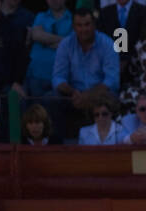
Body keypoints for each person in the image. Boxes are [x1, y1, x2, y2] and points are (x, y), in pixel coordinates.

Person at [51, 6, 122, 136]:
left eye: (87, 24)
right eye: (79, 25)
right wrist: (74, 93)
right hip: (73, 95)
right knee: (50, 98)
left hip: (100, 94)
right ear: (73, 27)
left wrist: (89, 95)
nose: (84, 29)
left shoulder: (108, 44)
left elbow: (112, 81)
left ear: (94, 25)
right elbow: (58, 78)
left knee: (112, 98)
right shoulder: (65, 44)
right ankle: (57, 145)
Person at [25, 0, 71, 99]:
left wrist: (45, 39)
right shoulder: (40, 16)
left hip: (63, 79)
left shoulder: (73, 19)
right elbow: (36, 35)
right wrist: (63, 40)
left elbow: (72, 44)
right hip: (37, 74)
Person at [99, 0, 146, 78]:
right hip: (109, 67)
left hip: (136, 67)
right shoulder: (105, 12)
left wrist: (128, 60)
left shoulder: (144, 12)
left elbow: (144, 39)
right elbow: (102, 40)